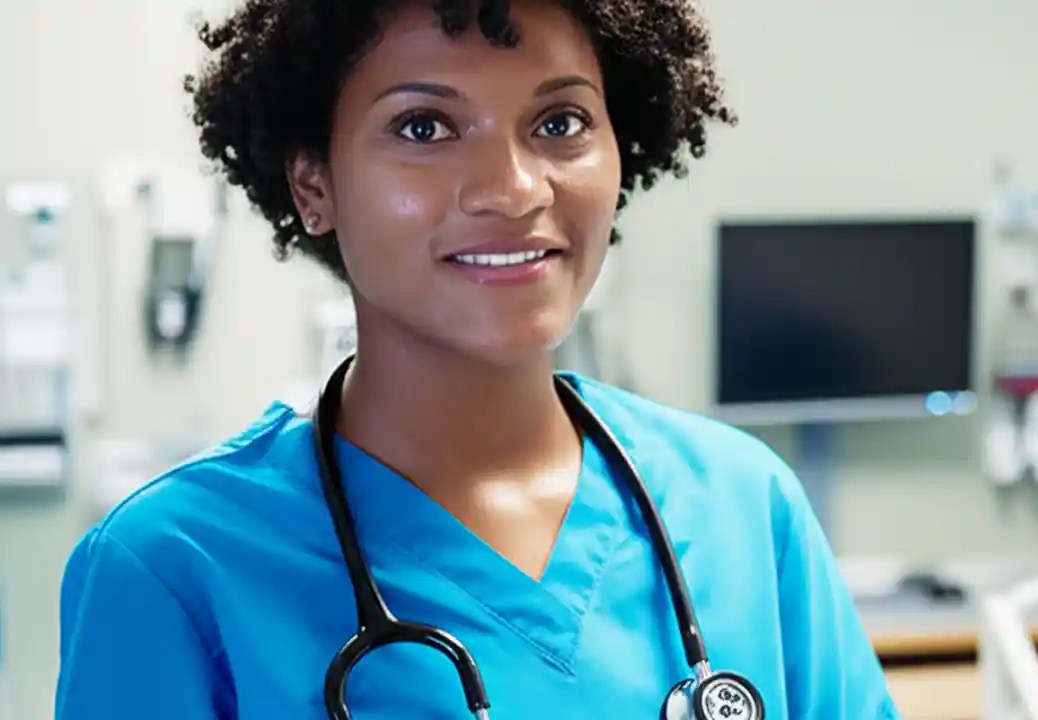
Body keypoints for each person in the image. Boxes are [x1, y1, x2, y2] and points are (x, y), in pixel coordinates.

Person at [54, 1, 900, 718]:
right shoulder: (173, 568)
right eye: (424, 127)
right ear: (313, 184)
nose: (515, 188)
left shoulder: (744, 506)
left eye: (560, 123)